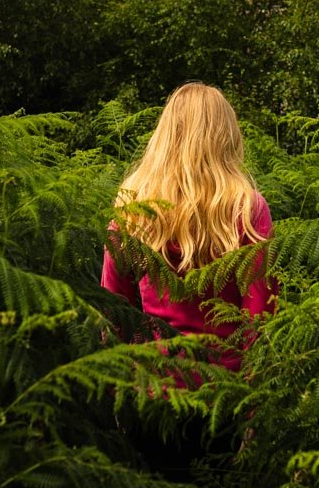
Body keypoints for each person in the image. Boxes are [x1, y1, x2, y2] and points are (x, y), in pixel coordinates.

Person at [100, 82, 275, 373]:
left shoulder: (132, 209)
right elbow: (260, 320)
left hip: (154, 386)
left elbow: (114, 315)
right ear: (225, 136)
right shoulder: (247, 209)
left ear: (164, 137)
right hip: (226, 391)